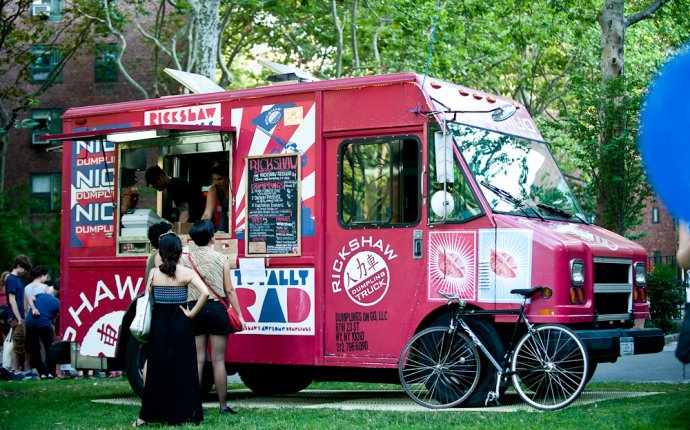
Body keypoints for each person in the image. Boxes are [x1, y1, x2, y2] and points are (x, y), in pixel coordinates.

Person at [133, 232, 210, 427]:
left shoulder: (154, 274)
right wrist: (191, 314)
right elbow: (205, 293)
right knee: (183, 367)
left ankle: (148, 414)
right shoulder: (186, 272)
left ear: (161, 251)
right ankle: (186, 412)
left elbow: (149, 295)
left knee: (158, 368)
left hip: (159, 324)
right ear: (178, 251)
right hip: (181, 323)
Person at [181, 220, 246, 414]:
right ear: (212, 237)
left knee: (198, 359)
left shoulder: (185, 260)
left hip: (195, 310)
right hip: (217, 310)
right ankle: (223, 406)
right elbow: (229, 290)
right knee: (218, 360)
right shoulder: (221, 259)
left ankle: (193, 406)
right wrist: (240, 315)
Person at [5, 255, 31, 374]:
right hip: (17, 317)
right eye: (24, 268)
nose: (25, 271)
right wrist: (19, 318)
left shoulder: (17, 279)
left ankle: (21, 369)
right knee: (18, 344)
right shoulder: (11, 279)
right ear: (19, 266)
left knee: (22, 343)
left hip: (20, 316)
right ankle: (16, 370)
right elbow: (12, 300)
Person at [25, 287, 59, 379]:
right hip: (43, 323)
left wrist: (33, 308)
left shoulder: (41, 295)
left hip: (29, 322)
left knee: (35, 348)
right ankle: (51, 372)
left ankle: (42, 373)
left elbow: (30, 298)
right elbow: (58, 319)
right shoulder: (58, 302)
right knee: (49, 347)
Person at [201, 160, 231, 232]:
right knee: (221, 233)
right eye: (214, 179)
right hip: (225, 214)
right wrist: (201, 228)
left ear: (228, 176)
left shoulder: (236, 187)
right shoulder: (214, 189)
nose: (217, 182)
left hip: (238, 215)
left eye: (220, 179)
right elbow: (207, 213)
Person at [0, 271, 9, 343]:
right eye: (6, 276)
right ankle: (4, 342)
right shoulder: (0, 286)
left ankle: (8, 342)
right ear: (3, 277)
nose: (8, 278)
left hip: (9, 307)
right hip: (1, 308)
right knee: (2, 325)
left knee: (8, 325)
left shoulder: (11, 286)